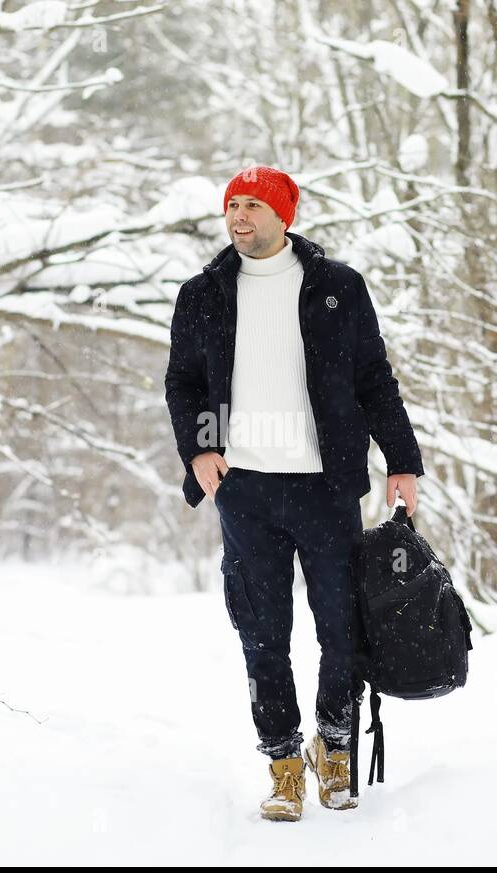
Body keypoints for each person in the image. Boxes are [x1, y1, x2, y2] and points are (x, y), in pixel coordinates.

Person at [164, 165, 424, 821]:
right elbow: (186, 383)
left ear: (285, 215)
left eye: (253, 205)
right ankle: (283, 763)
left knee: (341, 631)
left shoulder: (337, 288)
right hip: (245, 492)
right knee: (262, 635)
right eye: (232, 206)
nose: (239, 216)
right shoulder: (203, 295)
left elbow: (373, 378)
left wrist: (402, 459)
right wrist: (201, 448)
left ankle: (333, 749)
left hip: (327, 489)